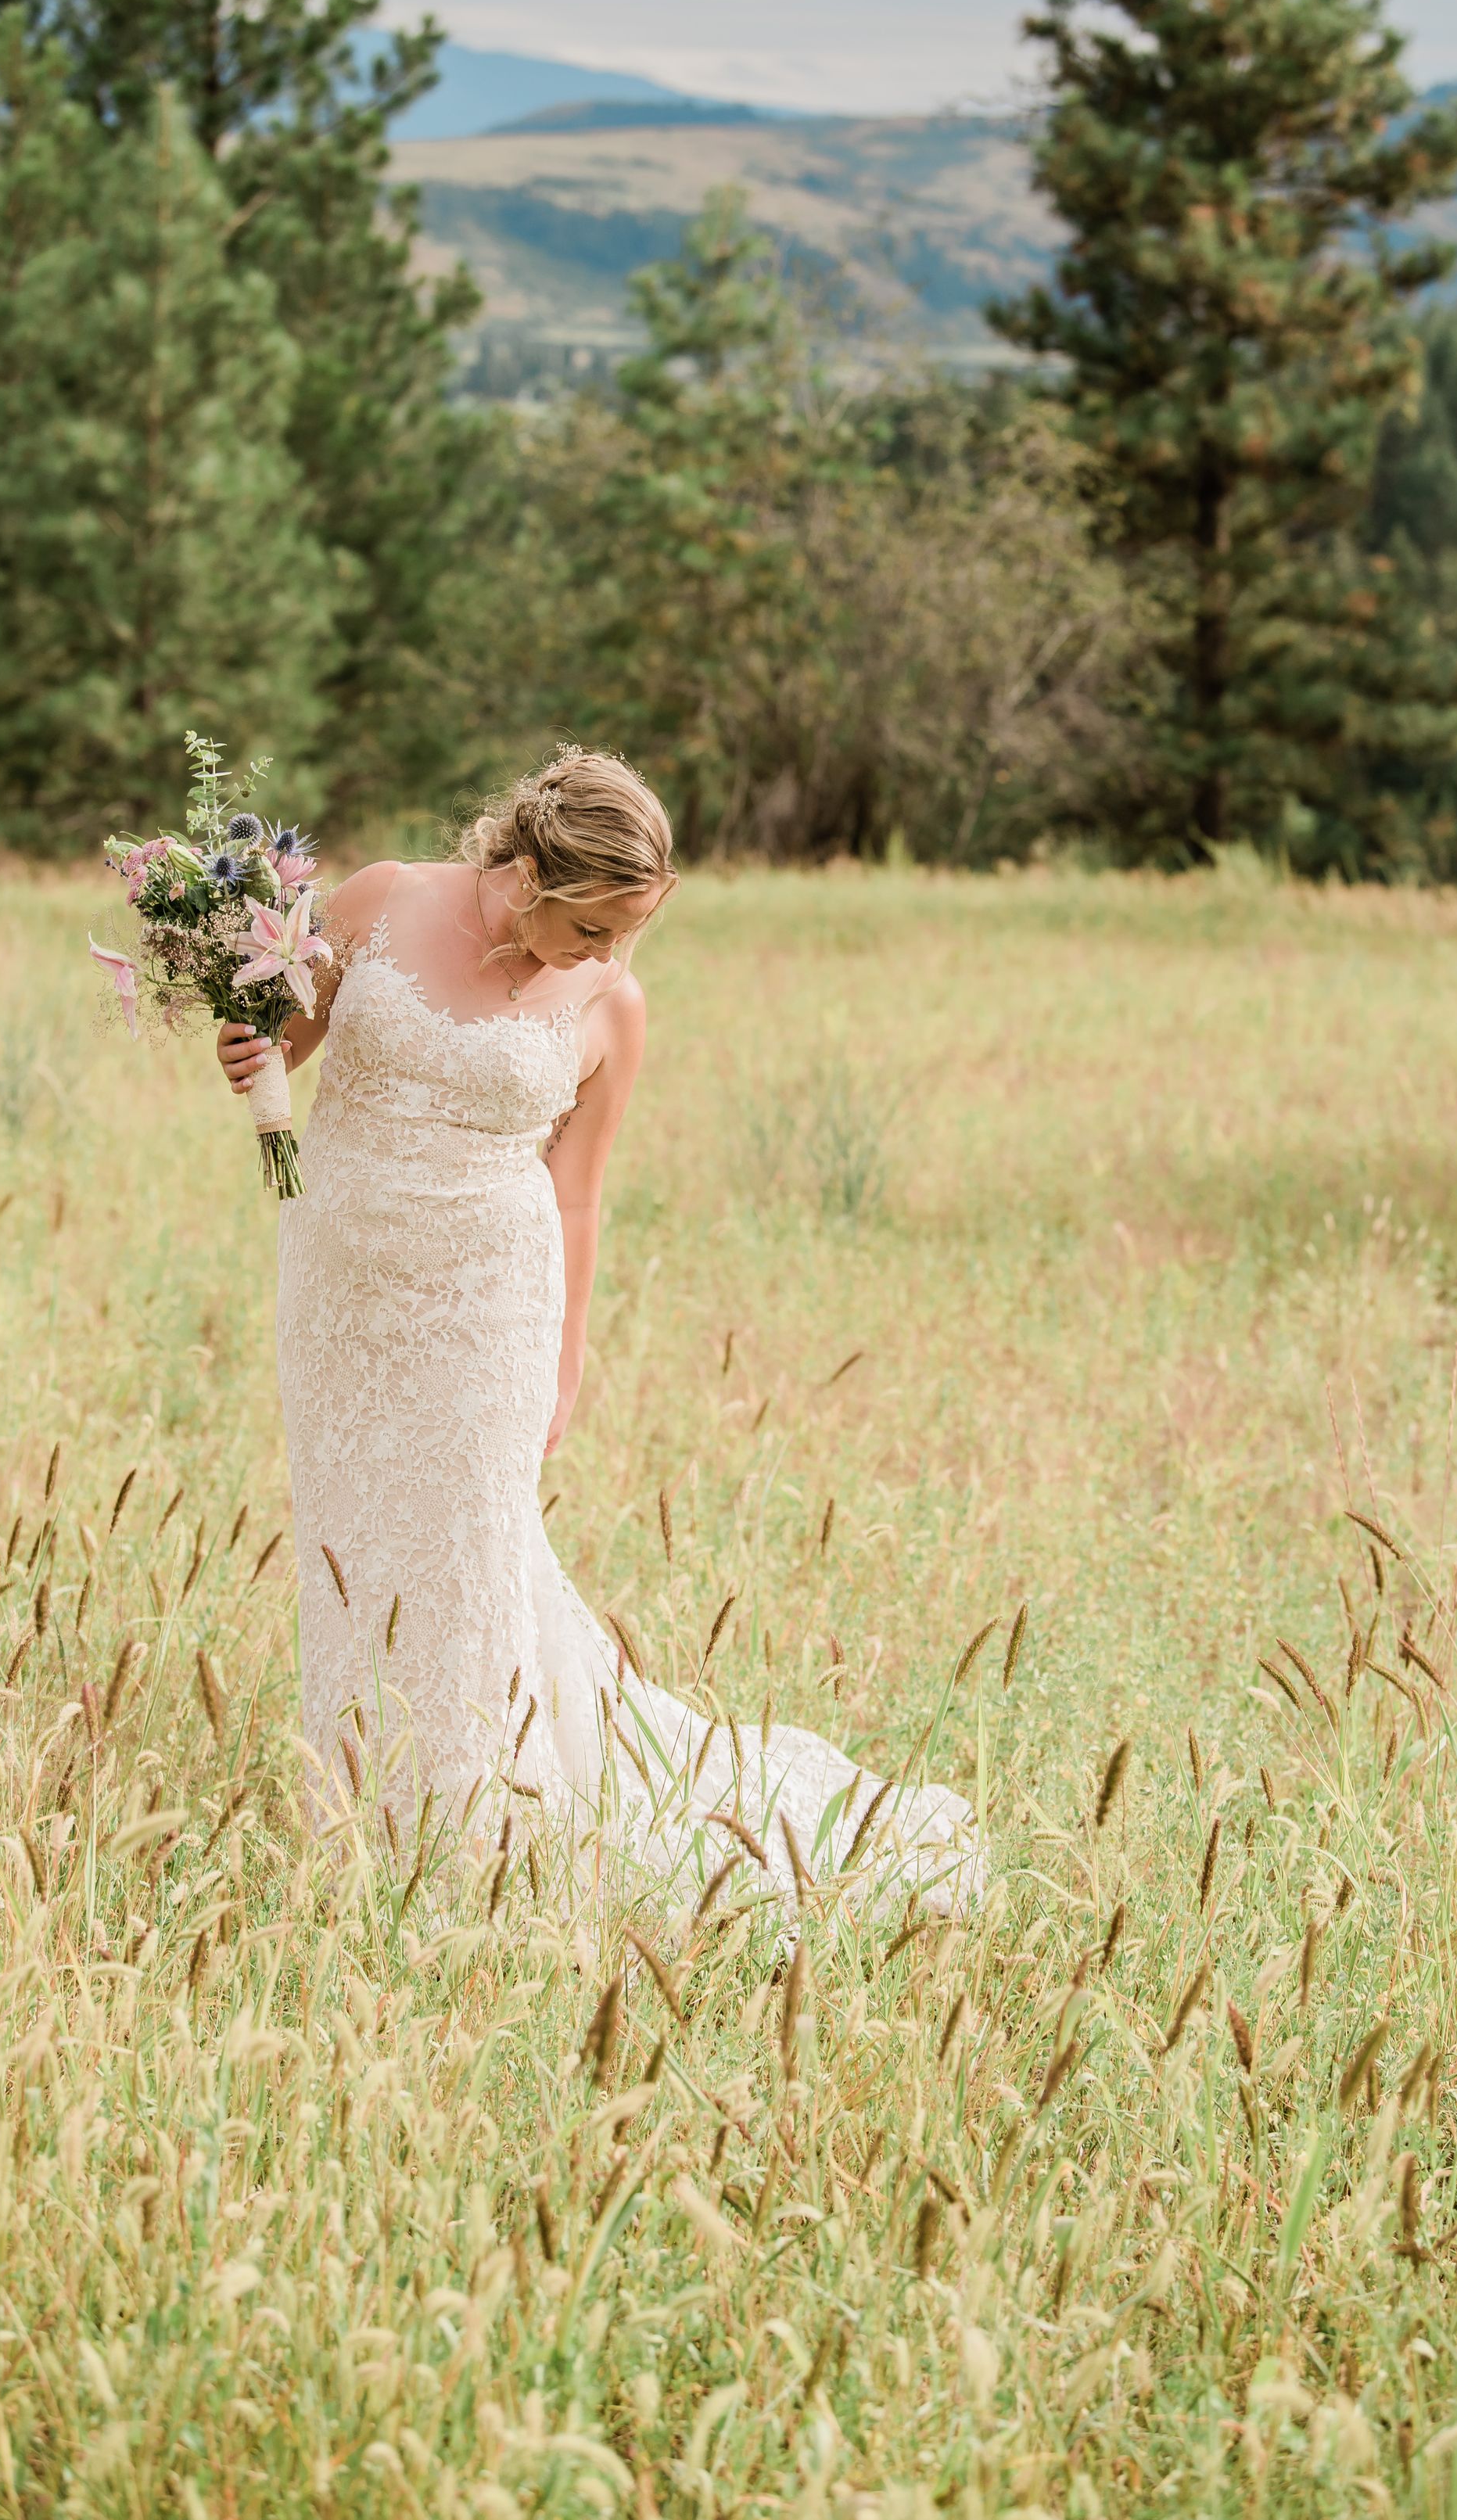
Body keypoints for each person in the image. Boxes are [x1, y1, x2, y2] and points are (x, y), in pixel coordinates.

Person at [218, 745, 978, 1916]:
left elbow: (577, 1188)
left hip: (488, 1313)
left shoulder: (611, 1006)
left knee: (474, 1560)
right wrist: (247, 1046)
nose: (612, 958)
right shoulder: (377, 901)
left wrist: (565, 1360)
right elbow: (284, 1043)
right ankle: (362, 1814)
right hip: (338, 1302)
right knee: (355, 1552)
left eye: (632, 933)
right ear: (527, 876)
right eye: (595, 929)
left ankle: (476, 1841)